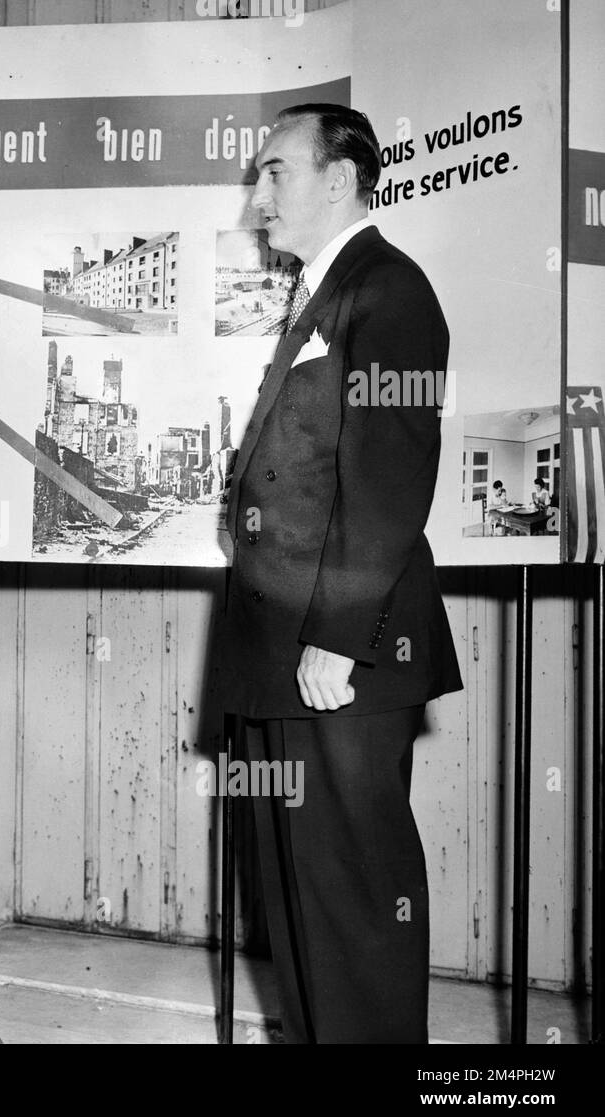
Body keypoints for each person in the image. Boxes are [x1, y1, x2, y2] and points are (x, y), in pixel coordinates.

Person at [214, 105, 462, 1043]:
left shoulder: (388, 289)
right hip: (288, 653)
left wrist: (335, 631)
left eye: (277, 172)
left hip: (339, 659)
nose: (260, 194)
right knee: (304, 905)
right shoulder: (322, 292)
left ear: (342, 179)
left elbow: (393, 478)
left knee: (354, 906)